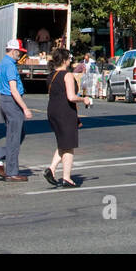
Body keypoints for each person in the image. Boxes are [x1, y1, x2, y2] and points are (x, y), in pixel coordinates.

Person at [45, 47, 92, 187]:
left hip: (52, 111)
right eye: (69, 59)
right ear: (65, 60)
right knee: (69, 146)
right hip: (65, 112)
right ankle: (66, 177)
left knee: (63, 143)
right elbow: (71, 97)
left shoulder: (51, 75)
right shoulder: (67, 75)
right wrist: (84, 99)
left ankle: (51, 169)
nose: (70, 61)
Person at [0, 38, 33, 182]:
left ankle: (0, 158)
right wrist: (25, 108)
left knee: (17, 134)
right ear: (14, 51)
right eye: (19, 52)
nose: (20, 55)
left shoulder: (3, 63)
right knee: (15, 138)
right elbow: (14, 90)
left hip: (5, 100)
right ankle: (12, 172)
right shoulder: (10, 66)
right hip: (12, 102)